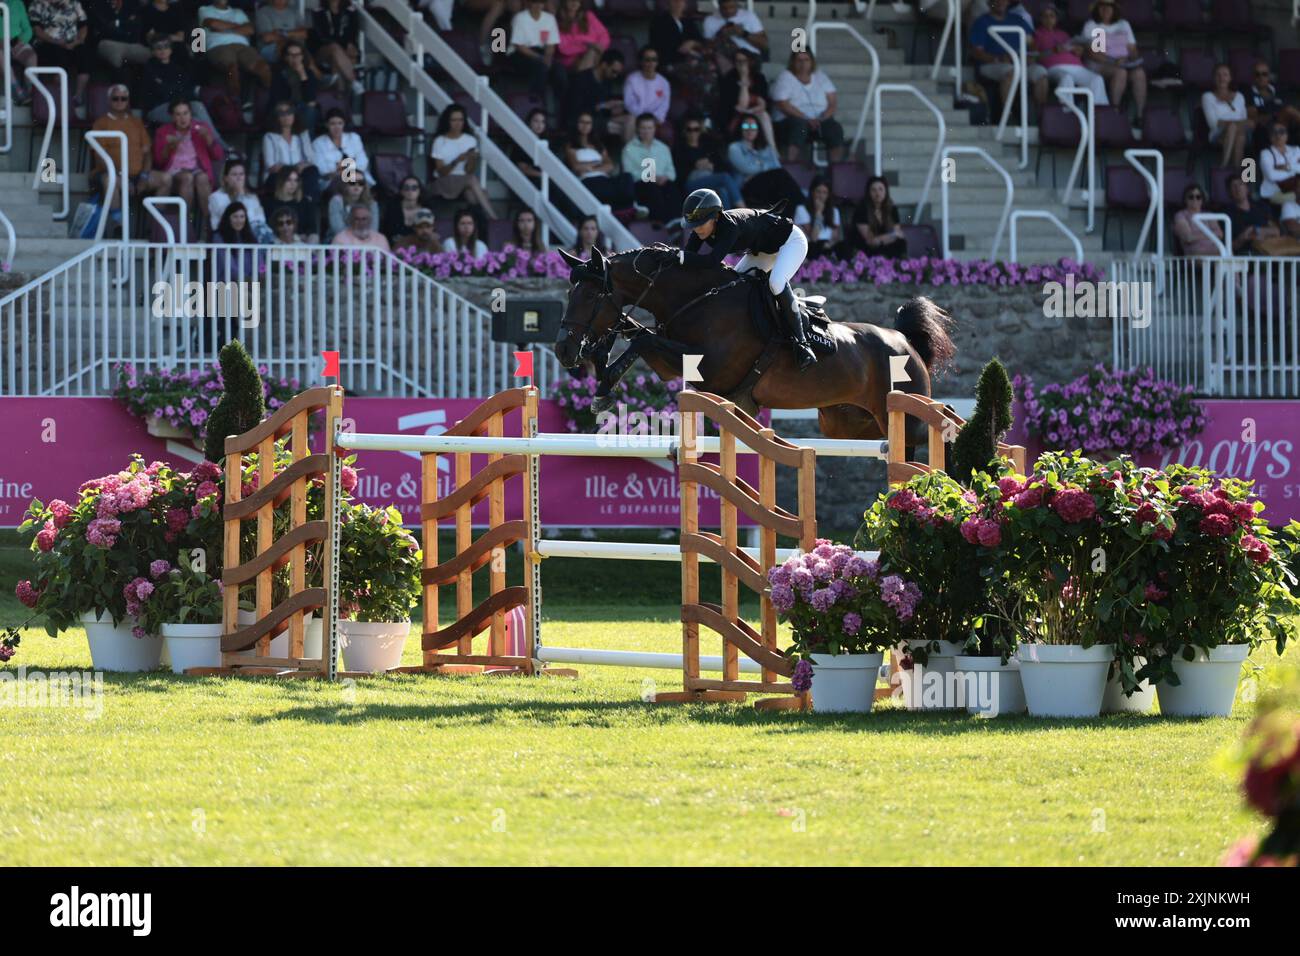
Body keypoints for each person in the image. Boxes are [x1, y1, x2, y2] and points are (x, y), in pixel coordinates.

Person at [678, 188, 816, 369]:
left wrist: (678, 257)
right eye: (693, 225)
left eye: (701, 223)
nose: (696, 229)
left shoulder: (730, 226)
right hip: (764, 250)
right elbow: (688, 256)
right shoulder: (702, 229)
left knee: (775, 283)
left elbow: (710, 261)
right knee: (733, 286)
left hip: (791, 241)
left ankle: (802, 343)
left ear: (716, 216)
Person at [90, 84, 171, 208]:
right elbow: (101, 158)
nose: (120, 102)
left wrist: (144, 177)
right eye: (115, 98)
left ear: (128, 101)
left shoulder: (137, 122)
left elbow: (147, 153)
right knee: (110, 181)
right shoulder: (100, 123)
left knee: (166, 178)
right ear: (109, 100)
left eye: (123, 98)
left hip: (137, 175)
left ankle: (156, 225)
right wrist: (121, 177)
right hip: (111, 173)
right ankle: (117, 225)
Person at [154, 98, 224, 236]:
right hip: (174, 173)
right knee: (187, 178)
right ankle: (184, 226)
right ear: (172, 116)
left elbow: (218, 155)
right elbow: (158, 162)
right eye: (178, 114)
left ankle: (210, 226)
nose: (182, 118)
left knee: (203, 178)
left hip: (196, 171)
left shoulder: (201, 128)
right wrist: (169, 146)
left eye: (185, 113)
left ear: (191, 114)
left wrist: (208, 139)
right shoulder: (164, 131)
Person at [140, 37, 228, 147]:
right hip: (157, 109)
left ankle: (221, 146)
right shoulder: (149, 68)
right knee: (195, 120)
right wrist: (176, 89)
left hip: (178, 105)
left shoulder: (177, 68)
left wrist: (170, 88)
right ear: (152, 51)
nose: (162, 50)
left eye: (166, 47)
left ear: (171, 50)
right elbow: (163, 93)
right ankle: (221, 147)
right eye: (158, 48)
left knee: (198, 106)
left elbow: (185, 90)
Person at [970, 0, 1048, 116]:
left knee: (1040, 72)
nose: (1000, 2)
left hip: (1019, 62)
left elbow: (1032, 44)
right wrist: (999, 58)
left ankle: (1042, 117)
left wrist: (1030, 56)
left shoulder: (1017, 20)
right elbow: (976, 52)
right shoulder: (981, 22)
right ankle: (1007, 116)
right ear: (989, 3)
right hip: (992, 64)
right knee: (1011, 71)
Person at [771, 50, 844, 163]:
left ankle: (835, 169)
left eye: (806, 60)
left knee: (834, 129)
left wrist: (824, 117)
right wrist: (806, 118)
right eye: (799, 60)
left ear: (812, 62)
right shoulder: (785, 77)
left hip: (818, 121)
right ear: (793, 62)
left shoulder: (820, 76)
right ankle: (791, 167)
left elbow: (833, 102)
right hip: (791, 121)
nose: (803, 63)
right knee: (800, 128)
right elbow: (782, 104)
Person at [1080, 0, 1146, 126]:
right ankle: (1114, 112)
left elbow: (1132, 49)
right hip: (1098, 64)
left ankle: (1139, 116)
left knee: (1139, 74)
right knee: (1120, 72)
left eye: (1109, 6)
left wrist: (1129, 58)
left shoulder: (1123, 24)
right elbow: (1090, 53)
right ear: (1097, 9)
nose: (1106, 9)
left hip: (1123, 62)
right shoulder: (1091, 25)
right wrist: (1113, 61)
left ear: (1114, 9)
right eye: (1102, 6)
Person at [429, 103, 499, 219]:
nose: (458, 124)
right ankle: (494, 218)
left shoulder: (470, 140)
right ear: (447, 121)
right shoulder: (440, 141)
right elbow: (441, 172)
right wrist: (456, 161)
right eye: (454, 120)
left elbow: (469, 171)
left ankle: (477, 225)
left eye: (461, 120)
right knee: (477, 187)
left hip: (464, 182)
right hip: (444, 181)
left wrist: (471, 159)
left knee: (472, 195)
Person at [1032, 4, 1108, 106]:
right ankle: (1067, 113)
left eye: (1052, 16)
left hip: (1077, 67)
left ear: (1056, 19)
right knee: (1066, 78)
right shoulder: (1037, 34)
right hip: (1054, 67)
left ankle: (1100, 115)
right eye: (1045, 16)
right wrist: (1053, 50)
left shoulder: (1063, 34)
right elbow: (1033, 57)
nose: (1049, 19)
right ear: (1040, 18)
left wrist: (1079, 51)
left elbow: (1076, 50)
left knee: (1096, 79)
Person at [565, 111, 640, 214]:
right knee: (605, 190)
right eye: (582, 122)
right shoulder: (571, 146)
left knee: (627, 177)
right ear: (576, 124)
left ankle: (630, 208)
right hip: (588, 181)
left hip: (604, 179)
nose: (585, 125)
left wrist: (589, 167)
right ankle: (626, 209)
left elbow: (610, 165)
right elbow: (576, 166)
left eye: (588, 123)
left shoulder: (598, 145)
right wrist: (598, 163)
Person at [199, 0, 270, 100]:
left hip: (242, 46)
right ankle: (235, 104)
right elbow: (213, 24)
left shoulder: (238, 12)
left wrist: (224, 27)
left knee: (263, 67)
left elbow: (250, 30)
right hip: (218, 45)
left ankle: (270, 101)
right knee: (232, 69)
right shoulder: (204, 10)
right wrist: (239, 27)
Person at [727, 116, 802, 211]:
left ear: (758, 130)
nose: (750, 129)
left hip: (767, 185)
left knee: (783, 183)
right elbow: (747, 168)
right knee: (781, 177)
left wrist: (758, 165)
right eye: (746, 126)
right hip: (747, 188)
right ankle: (801, 204)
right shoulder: (734, 147)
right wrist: (765, 165)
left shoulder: (766, 148)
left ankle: (790, 215)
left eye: (753, 127)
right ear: (740, 129)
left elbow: (777, 167)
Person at [28, 0, 90, 111]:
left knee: (85, 55)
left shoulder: (74, 3)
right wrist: (58, 43)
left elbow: (83, 26)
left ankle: (78, 97)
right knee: (59, 55)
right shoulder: (37, 4)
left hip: (72, 42)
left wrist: (77, 41)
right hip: (47, 42)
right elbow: (37, 30)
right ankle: (59, 97)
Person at [622, 112, 680, 227]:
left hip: (662, 183)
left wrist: (665, 177)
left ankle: (676, 222)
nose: (646, 131)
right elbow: (628, 174)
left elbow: (672, 172)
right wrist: (651, 176)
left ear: (655, 129)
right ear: (637, 129)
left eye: (649, 128)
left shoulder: (663, 148)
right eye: (643, 128)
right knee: (651, 187)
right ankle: (664, 224)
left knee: (672, 188)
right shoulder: (629, 149)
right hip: (642, 185)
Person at [674, 113, 742, 208]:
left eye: (696, 129)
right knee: (725, 178)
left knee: (722, 191)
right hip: (691, 184)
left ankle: (726, 220)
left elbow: (720, 164)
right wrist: (695, 165)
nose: (693, 132)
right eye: (689, 129)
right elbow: (677, 174)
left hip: (710, 179)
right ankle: (744, 210)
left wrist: (711, 165)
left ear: (700, 130)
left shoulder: (707, 145)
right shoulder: (679, 148)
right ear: (685, 131)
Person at [209, 158, 274, 243]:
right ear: (226, 178)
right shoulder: (216, 197)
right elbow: (228, 218)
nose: (239, 178)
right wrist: (239, 195)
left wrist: (242, 194)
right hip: (226, 236)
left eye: (241, 174)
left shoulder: (252, 197)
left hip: (250, 236)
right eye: (234, 174)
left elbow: (260, 220)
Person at [716, 47, 774, 141]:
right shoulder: (729, 79)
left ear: (750, 62)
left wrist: (754, 109)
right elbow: (741, 106)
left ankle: (772, 150)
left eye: (744, 61)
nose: (741, 64)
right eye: (738, 61)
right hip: (736, 117)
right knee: (755, 120)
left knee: (763, 115)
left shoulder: (759, 78)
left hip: (756, 114)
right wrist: (743, 79)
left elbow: (763, 102)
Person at [563, 47, 626, 134]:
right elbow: (575, 110)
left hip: (599, 119)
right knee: (619, 128)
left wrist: (612, 109)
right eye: (613, 71)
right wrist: (602, 106)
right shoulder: (581, 80)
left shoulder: (607, 81)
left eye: (617, 73)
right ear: (604, 65)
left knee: (631, 121)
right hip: (580, 121)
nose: (615, 76)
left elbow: (603, 108)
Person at [262, 101, 318, 196]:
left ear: (294, 114)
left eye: (289, 112)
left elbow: (311, 159)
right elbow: (271, 166)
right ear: (276, 117)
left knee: (312, 171)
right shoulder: (269, 137)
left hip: (299, 174)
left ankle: (307, 201)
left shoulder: (302, 134)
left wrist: (302, 166)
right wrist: (294, 169)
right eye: (282, 113)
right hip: (279, 175)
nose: (286, 116)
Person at [508, 0, 564, 96]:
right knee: (540, 67)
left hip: (541, 52)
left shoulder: (550, 18)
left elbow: (551, 44)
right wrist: (539, 58)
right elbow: (519, 46)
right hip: (520, 53)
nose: (538, 5)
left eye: (541, 2)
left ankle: (560, 102)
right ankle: (536, 100)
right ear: (529, 3)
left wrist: (548, 57)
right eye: (535, 2)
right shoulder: (520, 18)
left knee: (559, 69)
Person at [1202, 64, 1249, 174]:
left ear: (1230, 78)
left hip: (1239, 133)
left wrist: (1232, 123)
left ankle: (1232, 171)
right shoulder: (1207, 97)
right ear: (1214, 78)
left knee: (1239, 135)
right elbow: (1213, 123)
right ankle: (1228, 167)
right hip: (1217, 134)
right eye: (1218, 75)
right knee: (1233, 127)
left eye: (1225, 75)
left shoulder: (1239, 96)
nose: (1222, 78)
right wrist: (1234, 123)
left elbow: (1245, 119)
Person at [313, 106, 374, 190]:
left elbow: (363, 161)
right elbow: (321, 169)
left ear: (344, 124)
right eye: (332, 124)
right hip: (333, 181)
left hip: (357, 177)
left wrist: (343, 167)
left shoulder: (354, 137)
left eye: (340, 123)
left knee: (359, 183)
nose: (337, 127)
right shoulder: (318, 143)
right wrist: (343, 169)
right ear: (326, 125)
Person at [1246, 61, 1300, 156]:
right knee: (1288, 111)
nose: (1261, 77)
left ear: (1269, 76)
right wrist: (1273, 111)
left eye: (1264, 74)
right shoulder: (1247, 93)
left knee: (1290, 111)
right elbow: (1251, 113)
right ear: (1253, 77)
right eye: (1257, 74)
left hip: (1285, 124)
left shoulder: (1279, 89)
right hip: (1265, 127)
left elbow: (1288, 106)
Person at [267, 40, 322, 133]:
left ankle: (307, 143)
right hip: (284, 107)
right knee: (287, 111)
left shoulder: (309, 73)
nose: (295, 58)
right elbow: (278, 98)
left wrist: (302, 74)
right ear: (285, 57)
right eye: (291, 55)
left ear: (302, 56)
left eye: (297, 55)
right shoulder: (279, 73)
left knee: (310, 109)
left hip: (303, 108)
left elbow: (311, 98)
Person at [311, 0, 363, 95]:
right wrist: (342, 48)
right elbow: (321, 35)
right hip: (323, 50)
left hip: (341, 51)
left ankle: (340, 95)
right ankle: (353, 81)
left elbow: (354, 32)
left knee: (336, 58)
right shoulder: (318, 11)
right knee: (335, 48)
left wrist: (350, 44)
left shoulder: (350, 11)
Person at [851, 175, 908, 259]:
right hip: (867, 249)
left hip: (884, 245)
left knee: (901, 243)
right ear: (869, 193)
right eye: (873, 190)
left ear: (886, 191)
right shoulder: (862, 210)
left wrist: (881, 239)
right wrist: (892, 235)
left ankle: (898, 268)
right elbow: (871, 241)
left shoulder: (892, 209)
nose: (877, 193)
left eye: (881, 189)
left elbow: (898, 234)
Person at [702, 0, 767, 70]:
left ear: (737, 4)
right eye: (724, 8)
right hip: (724, 59)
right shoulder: (710, 20)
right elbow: (708, 48)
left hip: (749, 57)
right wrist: (721, 34)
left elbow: (764, 44)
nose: (728, 11)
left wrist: (743, 33)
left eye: (732, 7)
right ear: (719, 5)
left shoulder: (749, 16)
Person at [622, 45, 670, 142]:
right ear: (641, 61)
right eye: (647, 60)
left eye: (654, 59)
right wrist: (643, 118)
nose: (651, 63)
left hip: (655, 119)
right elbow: (629, 103)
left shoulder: (664, 82)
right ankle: (630, 154)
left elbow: (664, 105)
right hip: (636, 117)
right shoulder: (632, 79)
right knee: (630, 122)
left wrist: (655, 118)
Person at [86, 0, 149, 72]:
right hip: (107, 41)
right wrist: (125, 24)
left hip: (131, 40)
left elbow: (136, 25)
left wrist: (117, 23)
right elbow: (105, 28)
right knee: (116, 54)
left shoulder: (132, 2)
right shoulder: (97, 3)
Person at [1261, 123, 1300, 237]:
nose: (1278, 135)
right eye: (1275, 132)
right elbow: (1272, 176)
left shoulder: (1296, 150)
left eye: (1282, 132)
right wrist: (1294, 169)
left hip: (1294, 190)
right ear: (1270, 137)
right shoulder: (1265, 153)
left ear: (1287, 135)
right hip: (1274, 193)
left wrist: (1286, 167)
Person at [1225, 176, 1280, 253]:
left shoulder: (1261, 207)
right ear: (1229, 192)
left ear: (1247, 188)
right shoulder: (1226, 214)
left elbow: (1276, 231)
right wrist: (1244, 237)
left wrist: (1258, 231)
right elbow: (1227, 247)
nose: (1238, 189)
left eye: (1241, 184)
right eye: (1234, 186)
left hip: (1267, 252)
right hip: (1243, 256)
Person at [266, 165, 319, 242]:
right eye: (289, 180)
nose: (293, 184)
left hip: (301, 244)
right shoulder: (270, 203)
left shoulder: (305, 202)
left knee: (314, 237)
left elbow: (312, 229)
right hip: (278, 242)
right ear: (281, 181)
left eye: (296, 180)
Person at [793, 175, 841, 259]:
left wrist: (828, 245)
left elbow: (835, 237)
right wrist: (818, 213)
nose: (821, 196)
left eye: (824, 192)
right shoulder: (801, 209)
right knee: (815, 246)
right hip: (810, 248)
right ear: (812, 192)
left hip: (827, 247)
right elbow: (814, 238)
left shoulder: (834, 211)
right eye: (818, 191)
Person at [1172, 183, 1223, 256]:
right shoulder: (1181, 215)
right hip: (1195, 256)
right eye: (1191, 197)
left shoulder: (1208, 215)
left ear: (1202, 199)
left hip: (1216, 252)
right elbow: (1188, 238)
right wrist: (1211, 234)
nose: (1195, 199)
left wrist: (1196, 236)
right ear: (1185, 199)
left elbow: (1220, 234)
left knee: (1229, 254)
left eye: (1198, 197)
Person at [555, 0, 608, 72]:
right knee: (592, 52)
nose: (574, 3)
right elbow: (563, 48)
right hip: (570, 59)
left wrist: (599, 46)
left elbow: (604, 35)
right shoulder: (558, 20)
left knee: (594, 53)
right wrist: (588, 45)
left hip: (594, 54)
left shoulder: (589, 15)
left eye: (578, 1)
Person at [4, 0, 38, 105]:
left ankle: (31, 95)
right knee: (2, 58)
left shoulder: (17, 3)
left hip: (15, 42)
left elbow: (27, 29)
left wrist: (20, 42)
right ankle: (18, 93)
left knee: (31, 57)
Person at [254, 0, 307, 64]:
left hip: (295, 46)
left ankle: (315, 72)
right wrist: (294, 34)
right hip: (270, 48)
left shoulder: (294, 11)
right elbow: (267, 38)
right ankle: (283, 71)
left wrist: (283, 33)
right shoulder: (263, 12)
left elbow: (304, 33)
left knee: (298, 49)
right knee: (289, 47)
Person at [380, 175, 429, 240]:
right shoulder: (392, 208)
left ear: (419, 191)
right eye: (406, 188)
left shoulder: (426, 210)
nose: (410, 190)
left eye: (414, 188)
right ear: (401, 191)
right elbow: (385, 231)